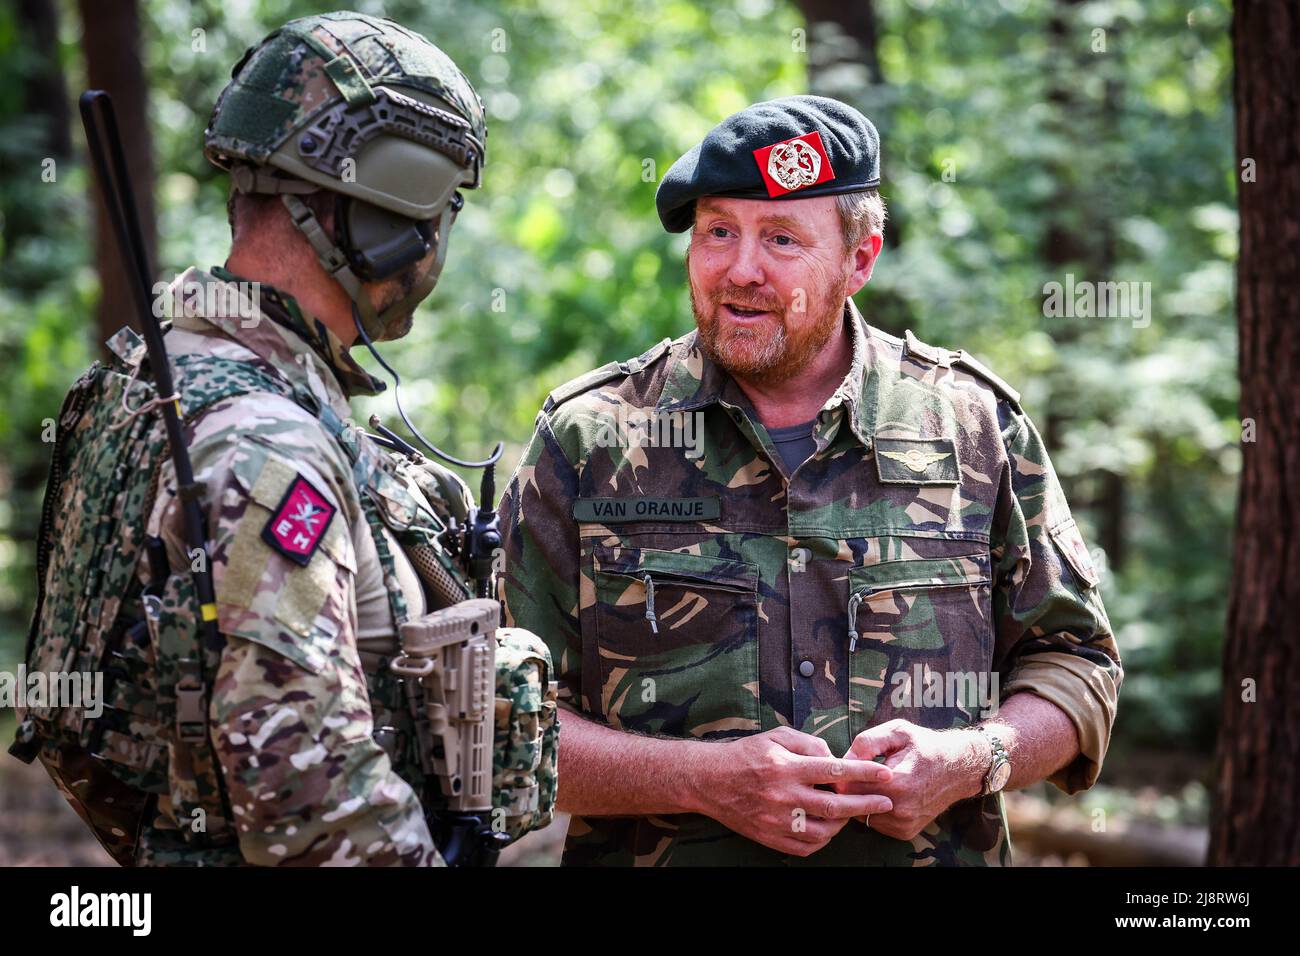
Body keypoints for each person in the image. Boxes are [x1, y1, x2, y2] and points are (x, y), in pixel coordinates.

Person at [497, 95, 1122, 866]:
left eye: (782, 238)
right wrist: (698, 781)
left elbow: (1079, 664)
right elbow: (499, 720)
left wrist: (970, 761)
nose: (741, 269)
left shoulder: (972, 427)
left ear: (860, 260)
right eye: (718, 231)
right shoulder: (590, 439)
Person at [15, 11, 555, 867]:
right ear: (391, 220)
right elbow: (316, 817)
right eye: (442, 208)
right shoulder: (266, 446)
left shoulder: (150, 381)